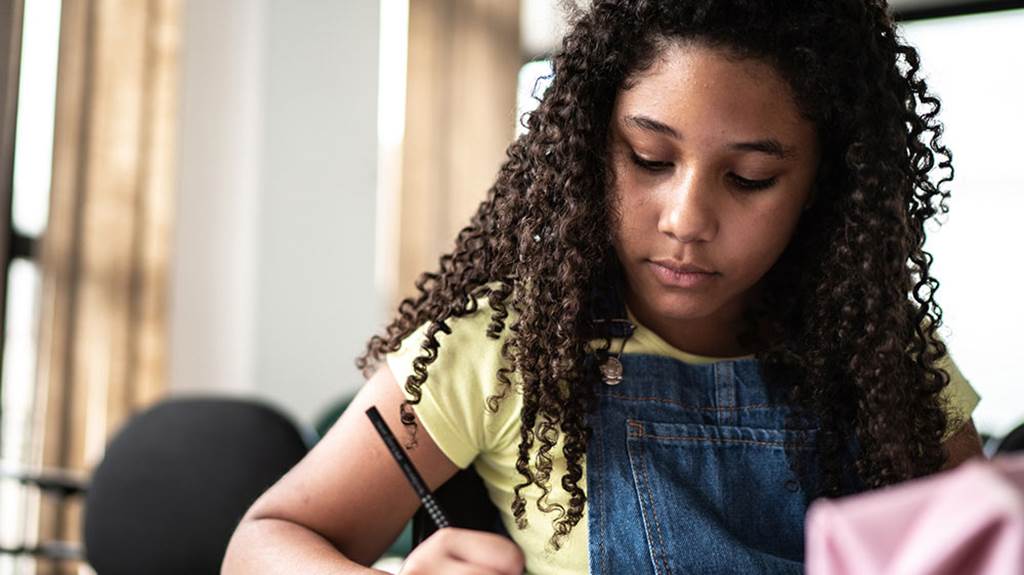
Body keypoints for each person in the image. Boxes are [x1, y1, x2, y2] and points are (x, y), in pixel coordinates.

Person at [222, 1, 985, 573]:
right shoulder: (504, 348)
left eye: (750, 178)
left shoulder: (887, 360)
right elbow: (261, 544)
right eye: (650, 159)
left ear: (825, 185)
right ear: (593, 147)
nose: (686, 219)